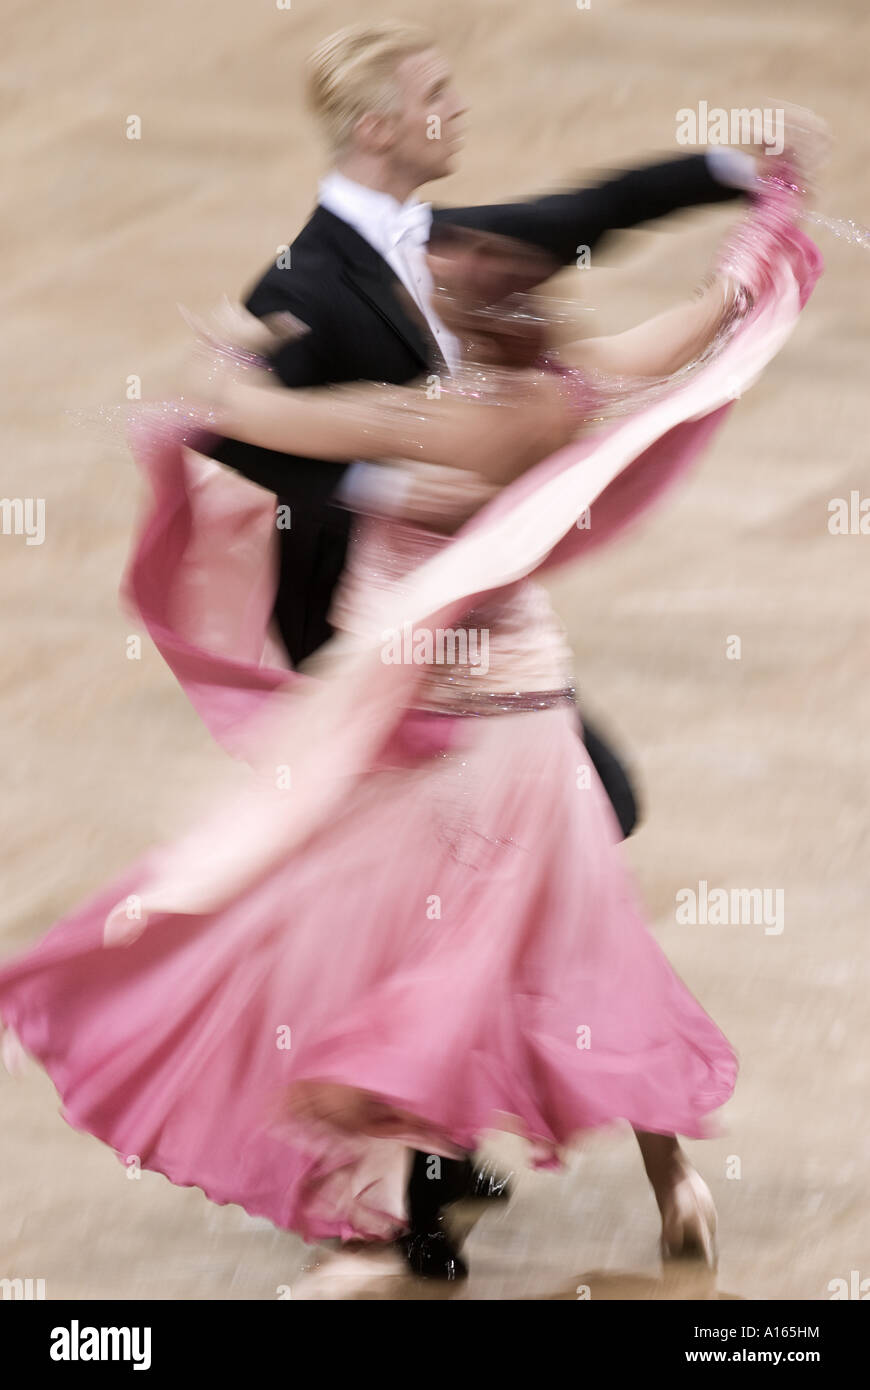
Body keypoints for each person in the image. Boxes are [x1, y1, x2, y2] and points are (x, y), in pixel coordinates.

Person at [0, 154, 822, 1284]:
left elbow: (259, 417)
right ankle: (671, 1179)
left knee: (417, 952)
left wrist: (227, 352)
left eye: (457, 278)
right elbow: (679, 332)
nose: (439, 278)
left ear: (474, 319)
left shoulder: (431, 420)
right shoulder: (565, 388)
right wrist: (752, 262)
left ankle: (400, 1221)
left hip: (459, 747)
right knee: (585, 954)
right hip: (538, 729)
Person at [206, 20, 761, 1257]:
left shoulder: (455, 278)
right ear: (376, 126)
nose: (457, 108)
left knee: (474, 896)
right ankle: (481, 1170)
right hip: (419, 667)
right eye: (435, 94)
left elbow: (594, 211)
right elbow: (247, 445)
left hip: (469, 668)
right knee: (530, 884)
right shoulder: (310, 285)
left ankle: (440, 1159)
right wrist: (740, 269)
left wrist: (736, 178)